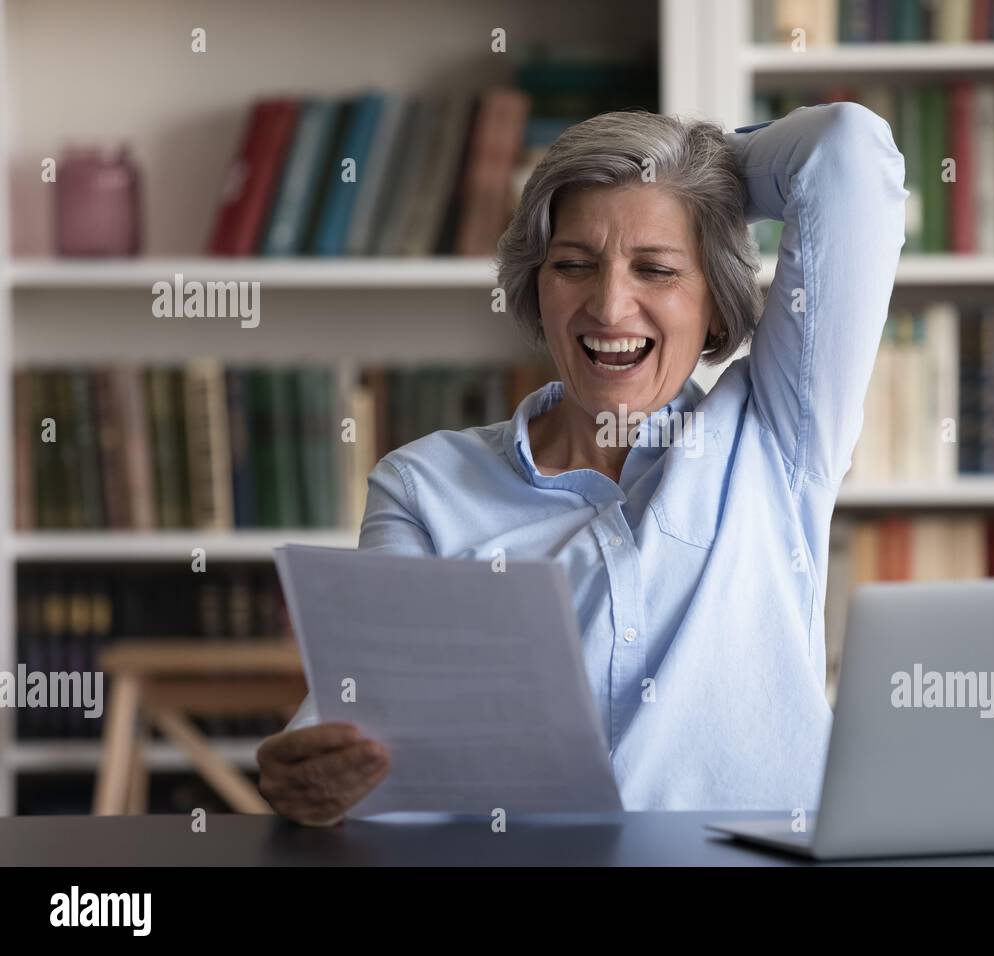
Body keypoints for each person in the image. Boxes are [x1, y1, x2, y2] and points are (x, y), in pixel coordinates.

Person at [256, 101, 907, 825]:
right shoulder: (425, 486)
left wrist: (704, 168)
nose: (609, 305)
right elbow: (366, 708)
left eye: (656, 269)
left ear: (717, 309)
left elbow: (848, 151)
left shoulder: (779, 439)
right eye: (574, 265)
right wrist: (316, 766)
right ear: (538, 287)